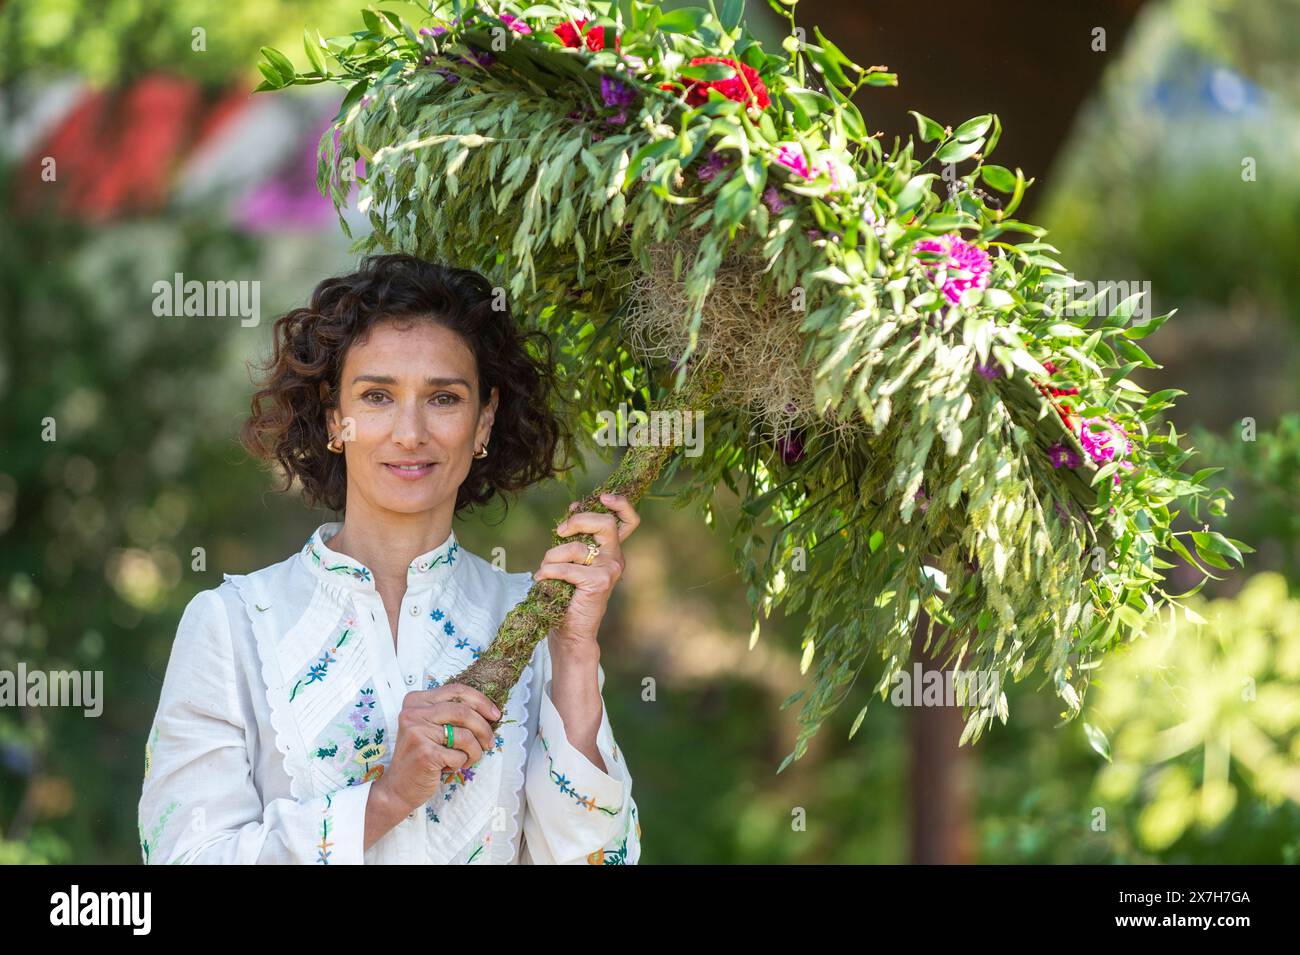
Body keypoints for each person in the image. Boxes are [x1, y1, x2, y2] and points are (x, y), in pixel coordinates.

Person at [137, 253, 642, 864]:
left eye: (444, 399)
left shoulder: (534, 620)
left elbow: (595, 860)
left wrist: (574, 652)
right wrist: (386, 797)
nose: (409, 432)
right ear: (334, 418)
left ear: (483, 421)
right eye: (377, 395)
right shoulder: (233, 627)